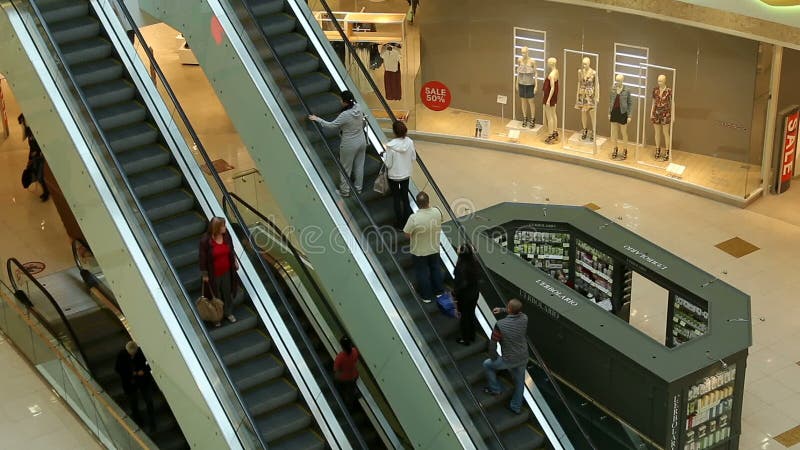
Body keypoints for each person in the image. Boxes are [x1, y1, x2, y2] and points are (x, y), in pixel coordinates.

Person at [309, 91, 367, 197]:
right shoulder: (359, 107)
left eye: (341, 100)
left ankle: (345, 191)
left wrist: (317, 119)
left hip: (349, 143)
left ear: (345, 102)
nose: (340, 101)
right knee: (359, 166)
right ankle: (358, 189)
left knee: (345, 168)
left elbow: (331, 125)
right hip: (362, 140)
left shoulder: (345, 115)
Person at [483, 299, 529, 415]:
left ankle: (495, 389)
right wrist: (503, 309)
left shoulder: (500, 325)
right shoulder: (524, 318)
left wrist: (493, 358)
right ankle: (515, 407)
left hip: (508, 359)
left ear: (509, 309)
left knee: (487, 365)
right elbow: (515, 311)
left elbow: (493, 343)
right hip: (523, 357)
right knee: (520, 383)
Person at [198, 217, 239, 327]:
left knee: (227, 292)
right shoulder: (205, 241)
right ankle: (217, 316)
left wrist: (235, 260)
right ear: (216, 228)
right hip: (213, 274)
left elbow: (231, 249)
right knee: (216, 295)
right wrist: (205, 274)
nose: (225, 228)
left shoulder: (226, 236)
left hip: (227, 271)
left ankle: (228, 313)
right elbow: (202, 258)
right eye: (223, 226)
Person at [403, 192, 443, 303]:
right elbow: (441, 221)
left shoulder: (414, 218)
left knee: (422, 273)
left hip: (419, 250)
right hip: (434, 246)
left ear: (417, 203)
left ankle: (426, 296)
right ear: (428, 201)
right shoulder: (437, 211)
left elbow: (406, 234)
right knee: (435, 268)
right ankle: (439, 291)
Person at [115, 341, 156, 432]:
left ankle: (152, 423)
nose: (133, 354)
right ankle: (139, 422)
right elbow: (118, 369)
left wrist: (143, 371)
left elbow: (150, 363)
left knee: (149, 401)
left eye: (134, 352)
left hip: (143, 380)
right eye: (131, 353)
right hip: (130, 382)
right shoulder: (122, 355)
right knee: (133, 403)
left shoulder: (141, 353)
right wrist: (131, 373)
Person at [383, 121, 416, 229]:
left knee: (396, 198)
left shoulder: (391, 146)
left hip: (394, 176)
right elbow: (413, 158)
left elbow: (388, 164)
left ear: (394, 132)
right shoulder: (410, 142)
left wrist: (384, 155)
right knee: (405, 197)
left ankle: (399, 223)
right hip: (406, 174)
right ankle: (408, 221)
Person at [454, 244, 481, 346]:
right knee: (471, 313)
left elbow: (461, 284)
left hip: (464, 295)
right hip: (474, 292)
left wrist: (454, 294)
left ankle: (465, 339)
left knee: (464, 316)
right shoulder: (474, 262)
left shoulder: (461, 267)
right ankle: (472, 335)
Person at [18, 114, 49, 201]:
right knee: (38, 176)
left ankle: (46, 193)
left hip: (39, 156)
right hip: (34, 155)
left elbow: (43, 144)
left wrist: (38, 152)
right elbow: (24, 138)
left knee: (40, 177)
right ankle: (45, 191)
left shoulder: (37, 130)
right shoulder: (29, 130)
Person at [333, 336, 359, 410]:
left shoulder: (340, 357)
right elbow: (355, 361)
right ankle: (350, 405)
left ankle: (341, 398)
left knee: (337, 383)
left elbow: (336, 372)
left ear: (342, 346)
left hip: (344, 378)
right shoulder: (355, 351)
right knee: (350, 391)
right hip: (353, 376)